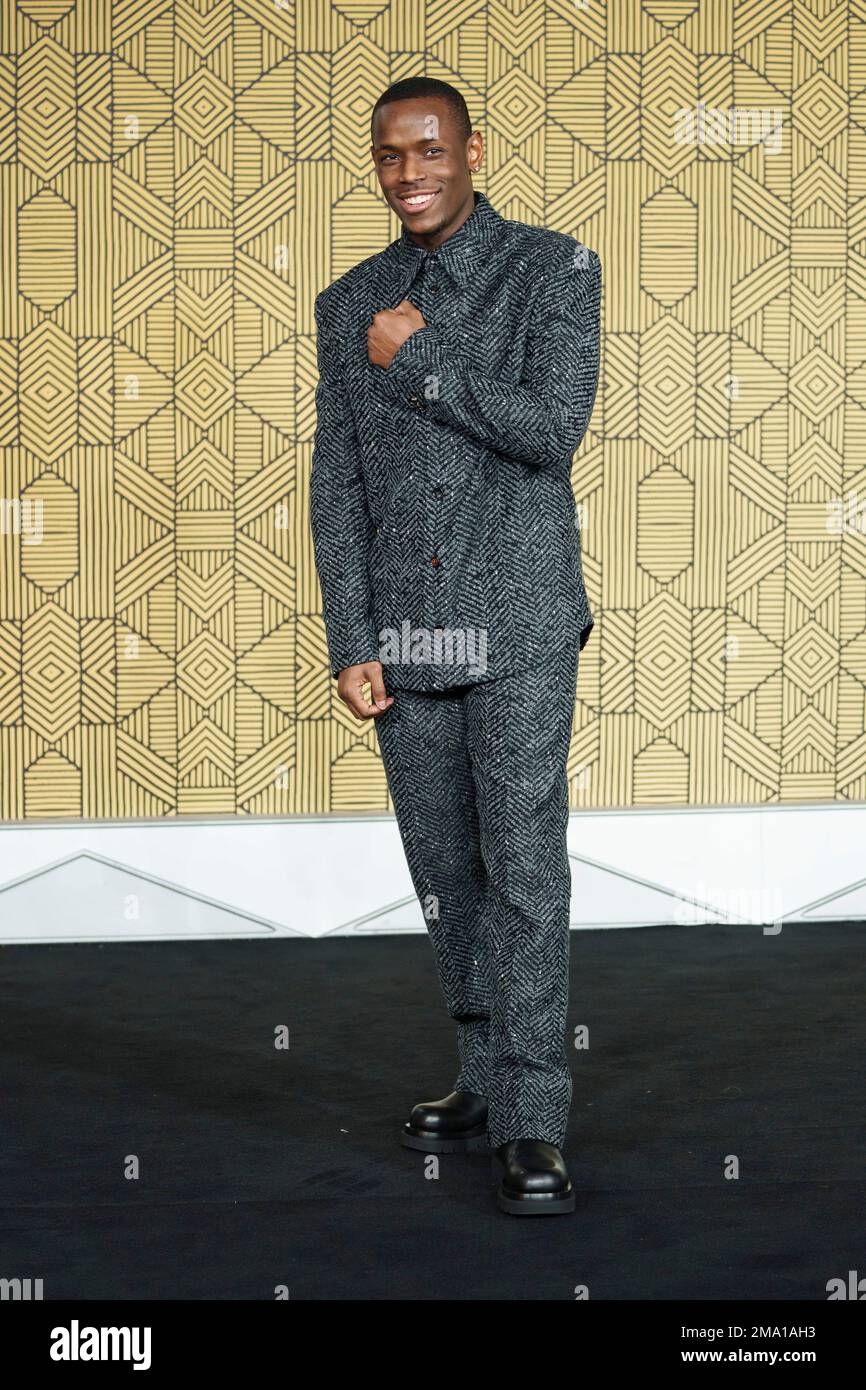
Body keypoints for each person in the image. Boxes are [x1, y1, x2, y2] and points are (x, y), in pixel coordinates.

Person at [310, 75, 601, 1215]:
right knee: (446, 878)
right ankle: (480, 1076)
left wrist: (423, 362)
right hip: (405, 634)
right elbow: (337, 483)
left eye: (428, 149)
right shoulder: (349, 303)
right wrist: (350, 635)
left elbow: (550, 429)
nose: (409, 172)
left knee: (522, 873)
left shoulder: (554, 269)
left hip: (522, 624)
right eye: (388, 155)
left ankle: (536, 1118)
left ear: (472, 149)